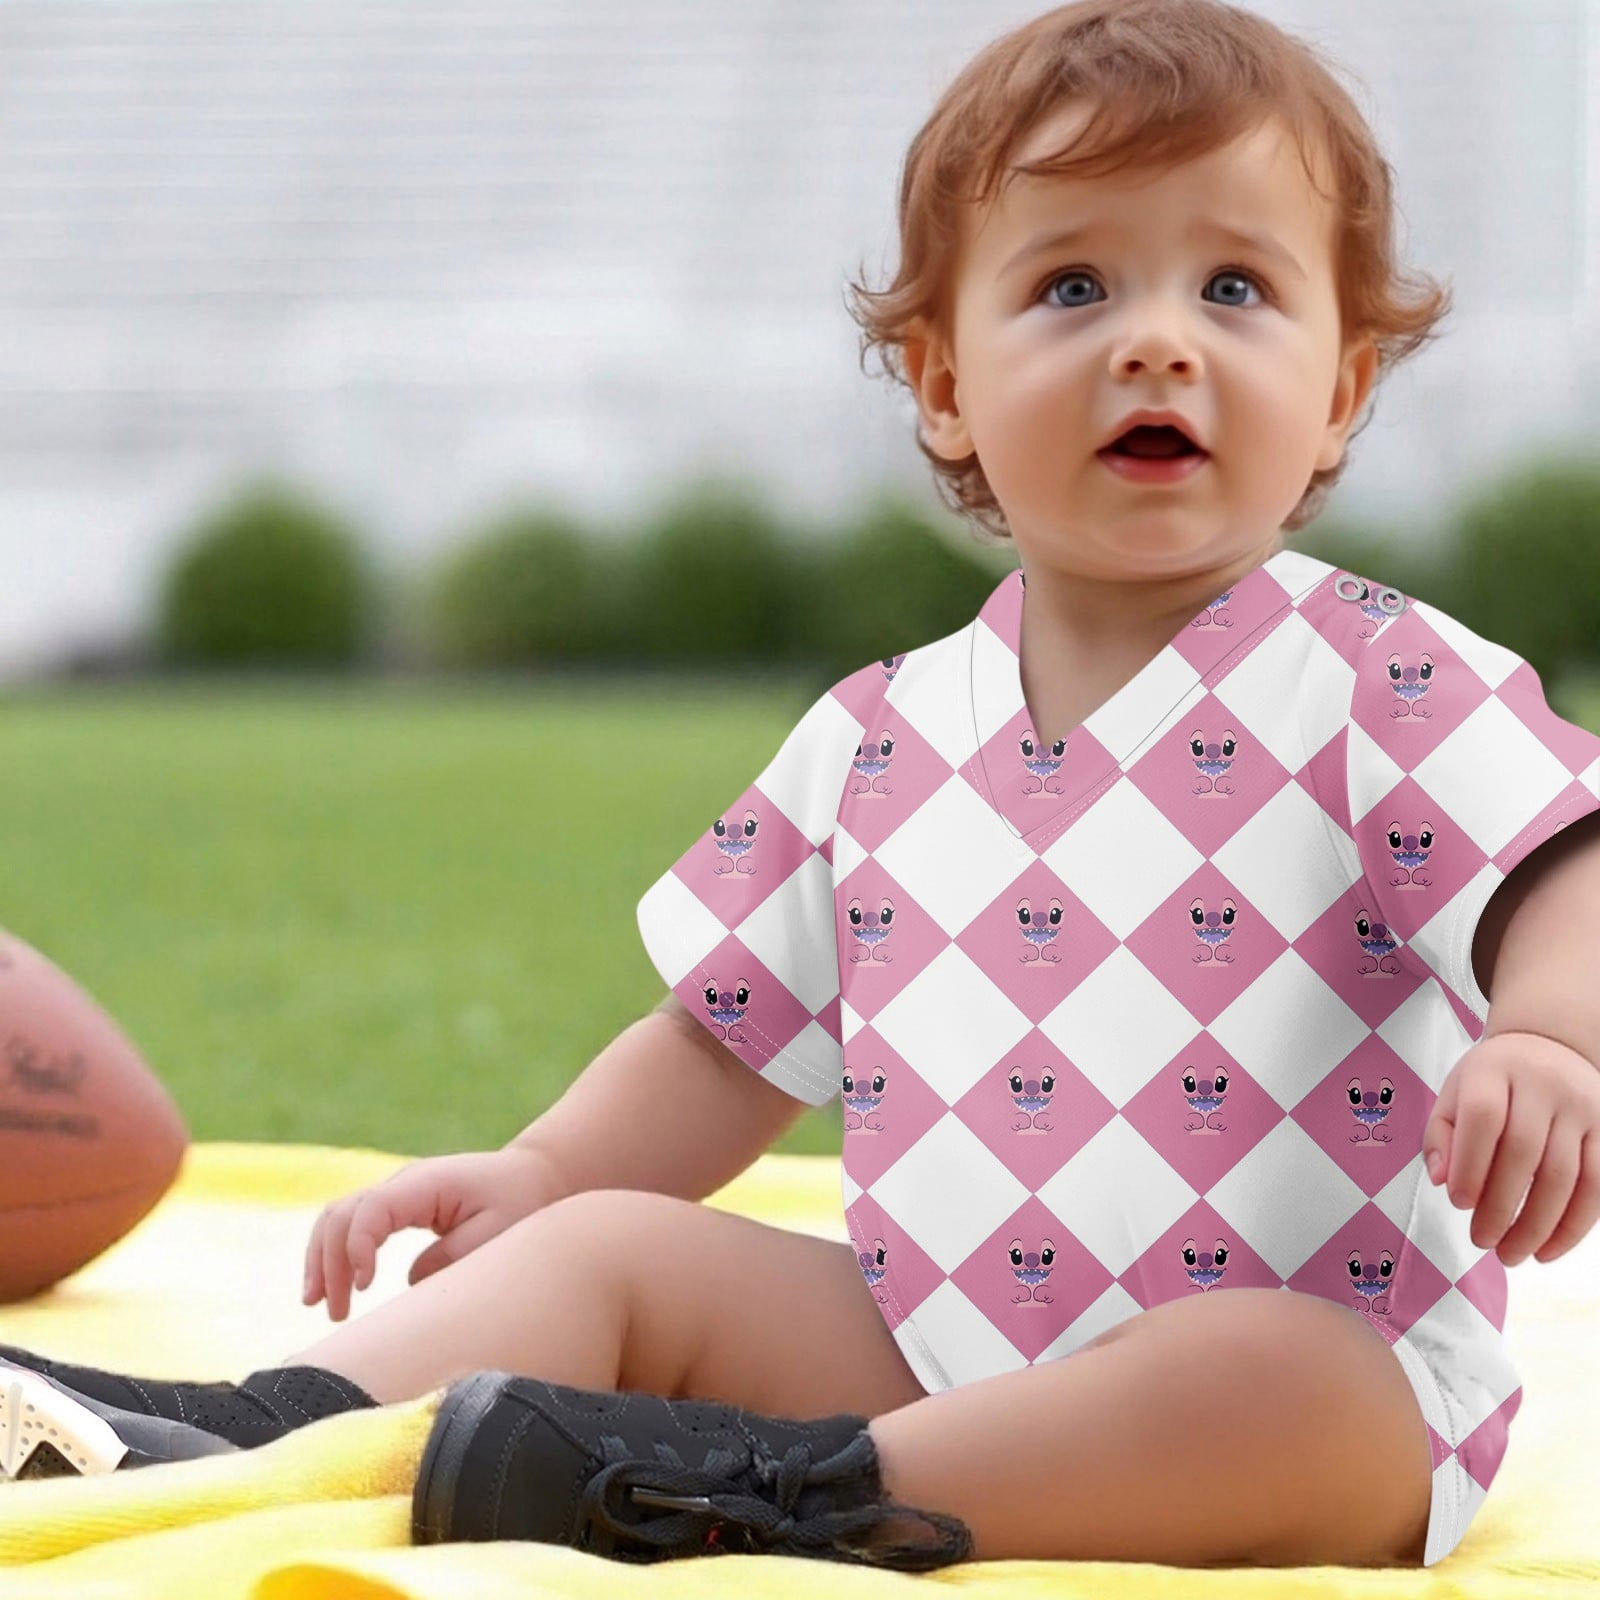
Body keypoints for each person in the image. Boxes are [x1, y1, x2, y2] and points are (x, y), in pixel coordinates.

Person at [5, 0, 1600, 1573]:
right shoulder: (877, 736)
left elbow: (1564, 871)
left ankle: (773, 1488)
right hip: (927, 1347)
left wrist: (1546, 1035)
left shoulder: (1375, 677)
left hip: (1323, 1385)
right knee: (608, 1253)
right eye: (1072, 284)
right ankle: (240, 1426)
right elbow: (721, 1037)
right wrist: (547, 1177)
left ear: (1340, 382)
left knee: (1269, 1376)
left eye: (1237, 285)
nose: (1157, 337)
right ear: (942, 381)